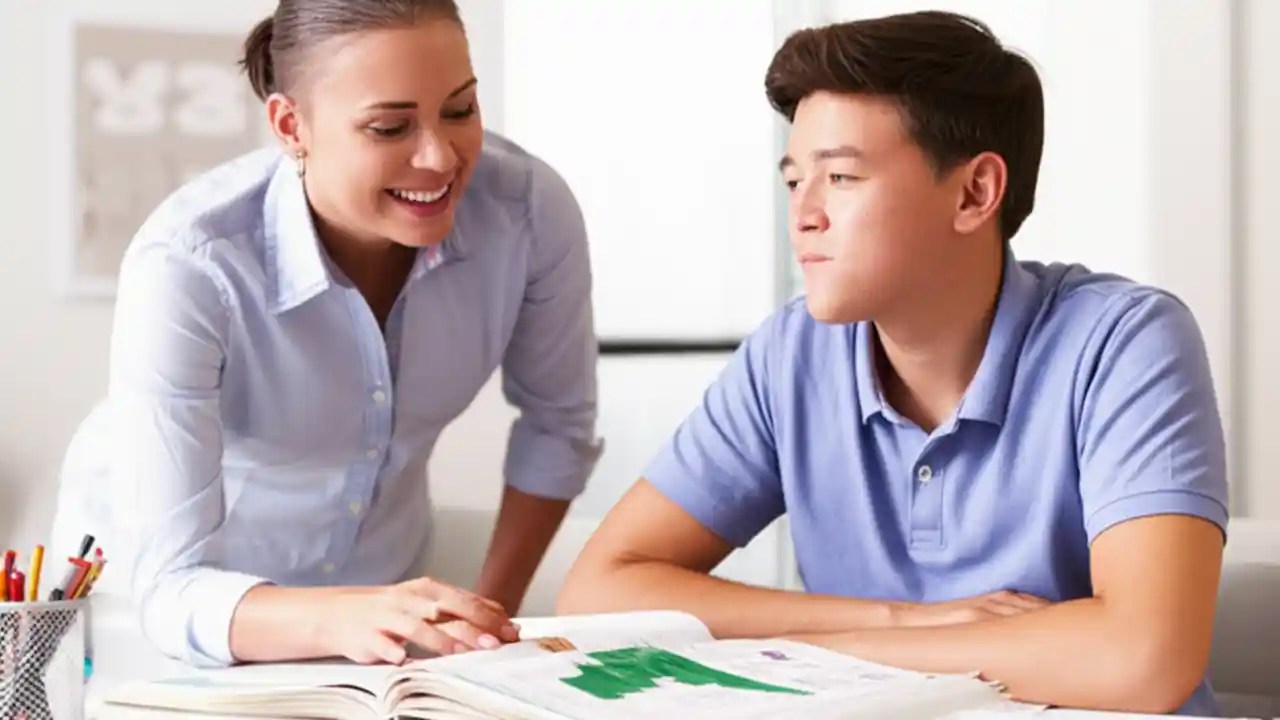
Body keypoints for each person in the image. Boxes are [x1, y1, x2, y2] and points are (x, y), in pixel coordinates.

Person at [558, 10, 1226, 716]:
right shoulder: (790, 358)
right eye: (794, 182)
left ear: (974, 193)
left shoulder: (1123, 342)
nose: (804, 214)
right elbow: (599, 596)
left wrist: (810, 654)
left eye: (841, 177)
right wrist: (904, 620)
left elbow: (1144, 660)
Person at [50, 0, 602, 668]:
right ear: (290, 126)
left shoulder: (526, 212)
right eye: (389, 126)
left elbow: (558, 429)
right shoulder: (193, 263)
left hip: (376, 630)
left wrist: (481, 628)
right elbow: (168, 586)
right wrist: (343, 617)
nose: (439, 156)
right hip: (166, 627)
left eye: (459, 111)